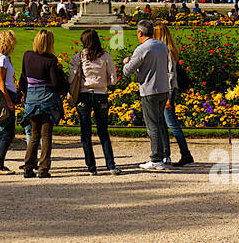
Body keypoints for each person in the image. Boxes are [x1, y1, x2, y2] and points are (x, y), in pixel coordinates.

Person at [123, 20, 173, 171]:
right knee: (159, 123)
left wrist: (126, 62)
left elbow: (127, 71)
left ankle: (156, 158)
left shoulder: (142, 49)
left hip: (149, 90)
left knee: (152, 125)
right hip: (163, 88)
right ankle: (164, 155)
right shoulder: (162, 45)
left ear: (140, 33)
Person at [18, 30, 65, 178]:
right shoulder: (51, 60)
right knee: (46, 136)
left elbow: (23, 78)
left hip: (32, 99)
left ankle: (28, 167)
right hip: (47, 100)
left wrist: (25, 94)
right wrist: (61, 73)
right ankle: (43, 168)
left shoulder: (27, 56)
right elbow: (57, 84)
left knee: (34, 135)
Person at [72, 28, 119, 175]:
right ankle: (110, 165)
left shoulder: (78, 57)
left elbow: (71, 78)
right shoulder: (105, 56)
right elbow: (113, 79)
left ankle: (91, 167)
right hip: (100, 94)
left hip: (84, 94)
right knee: (103, 131)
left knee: (86, 133)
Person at [154, 23, 194, 165]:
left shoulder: (166, 51)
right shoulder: (167, 49)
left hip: (168, 90)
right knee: (165, 123)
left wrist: (169, 97)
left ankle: (185, 154)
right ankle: (168, 154)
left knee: (171, 123)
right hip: (167, 89)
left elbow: (171, 75)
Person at [0, 30, 19, 176]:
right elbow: (1, 81)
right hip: (6, 95)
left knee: (3, 132)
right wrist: (8, 101)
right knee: (8, 132)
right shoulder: (3, 59)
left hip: (7, 94)